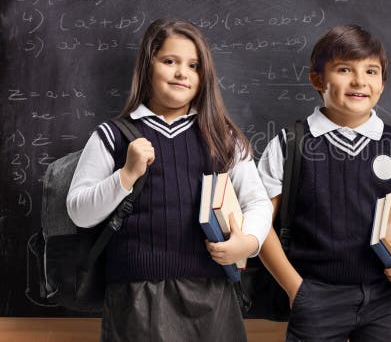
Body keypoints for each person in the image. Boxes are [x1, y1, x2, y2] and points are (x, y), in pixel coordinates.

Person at [66, 18, 271, 341]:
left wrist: (247, 243)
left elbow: (256, 201)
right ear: (148, 66)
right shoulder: (113, 136)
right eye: (170, 61)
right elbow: (78, 210)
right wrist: (126, 175)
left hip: (213, 292)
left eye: (193, 65)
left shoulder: (222, 136)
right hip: (137, 295)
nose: (182, 73)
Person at [257, 24, 391, 341]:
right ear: (318, 79)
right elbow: (259, 223)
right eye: (344, 69)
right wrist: (295, 289)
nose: (359, 81)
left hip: (388, 297)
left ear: (382, 83)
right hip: (315, 295)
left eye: (371, 71)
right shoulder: (289, 144)